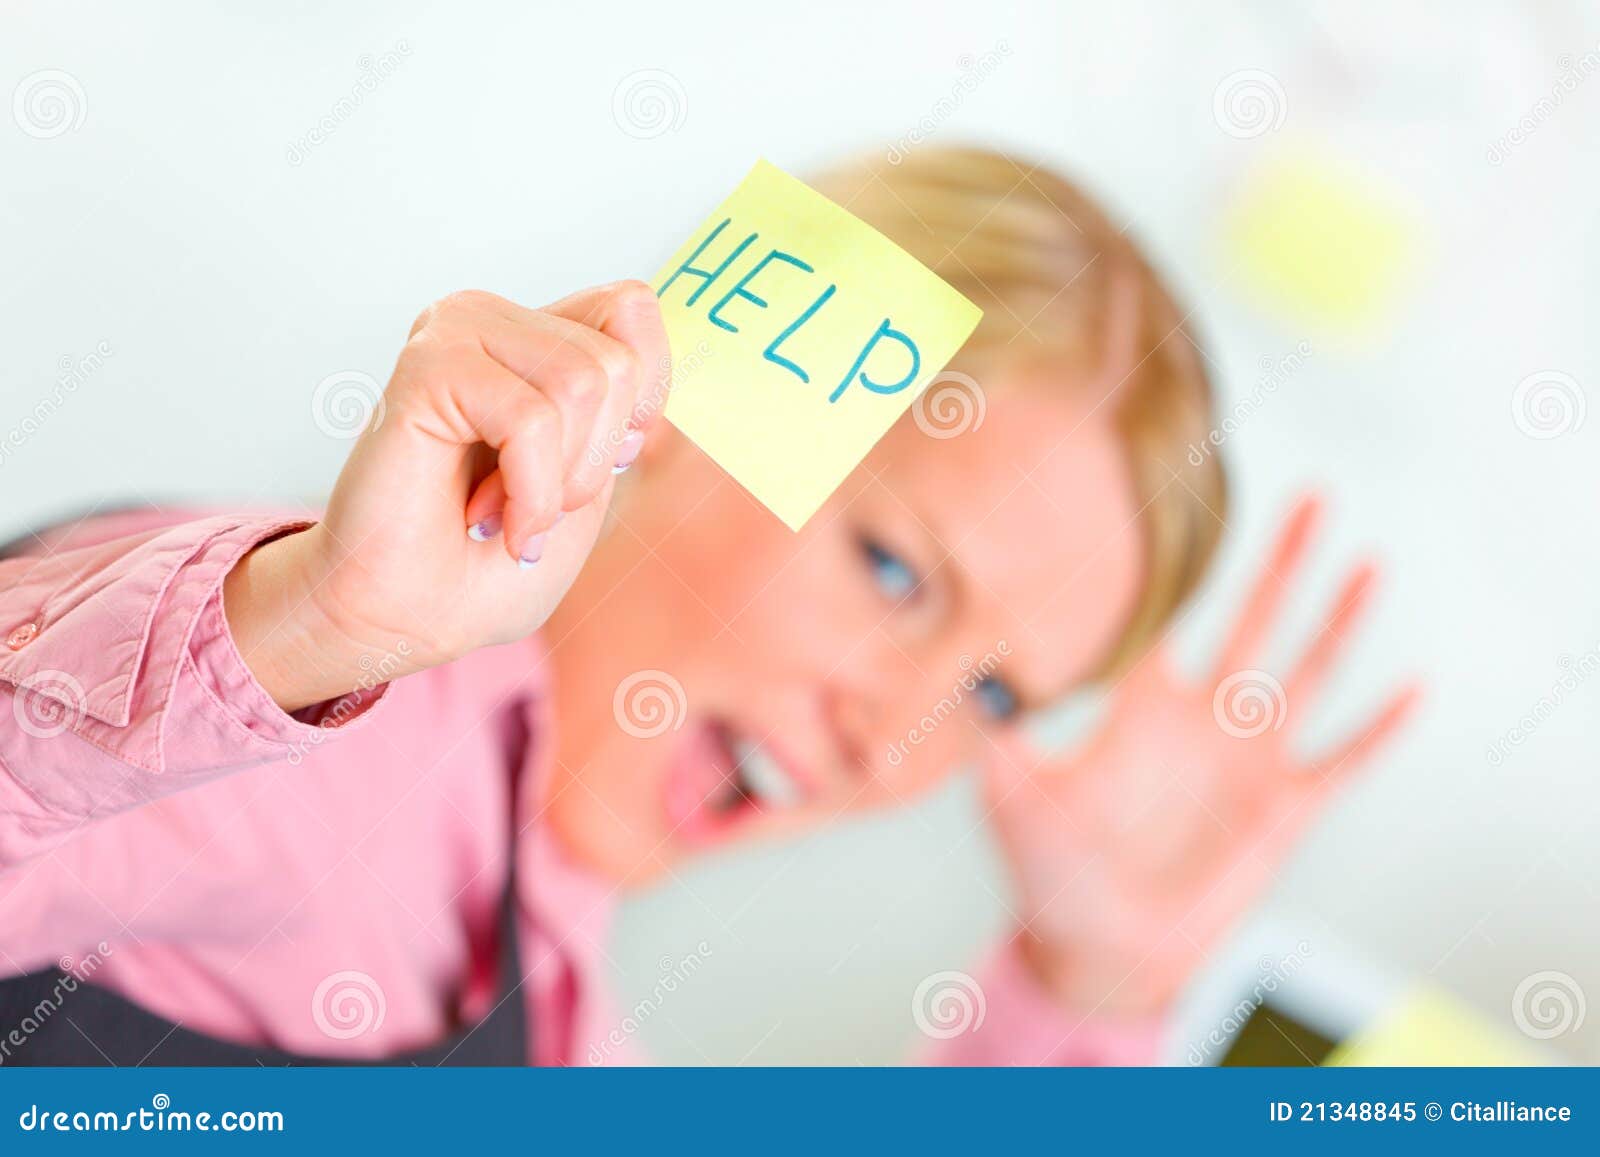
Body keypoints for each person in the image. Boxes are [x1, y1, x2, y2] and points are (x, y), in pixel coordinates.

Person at [0, 147, 1416, 1065]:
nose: (890, 737)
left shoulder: (566, 1014)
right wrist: (308, 627)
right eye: (896, 571)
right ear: (682, 402)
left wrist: (1084, 986)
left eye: (993, 695)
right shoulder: (297, 738)